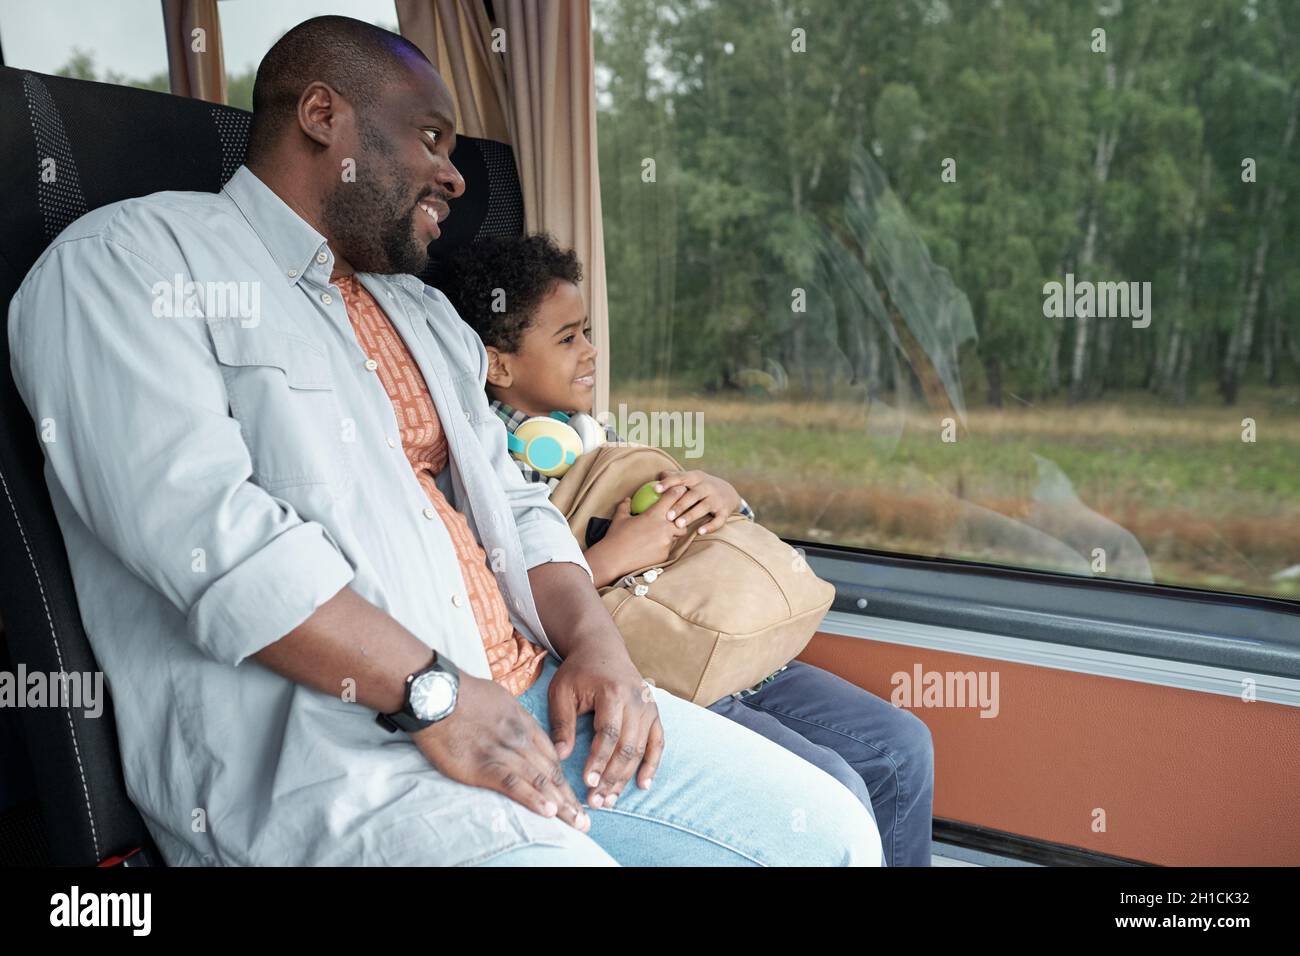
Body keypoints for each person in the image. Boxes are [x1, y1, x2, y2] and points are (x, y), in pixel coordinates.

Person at [7, 15, 884, 866]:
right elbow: (216, 544)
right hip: (337, 759)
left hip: (521, 695)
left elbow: (514, 501)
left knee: (831, 830)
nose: (455, 178)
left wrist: (596, 647)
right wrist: (435, 695)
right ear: (323, 117)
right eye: (431, 139)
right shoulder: (127, 266)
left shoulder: (419, 310)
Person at [437, 233, 936, 866]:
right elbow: (501, 610)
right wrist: (617, 553)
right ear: (499, 366)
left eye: (587, 331)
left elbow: (692, 528)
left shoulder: (592, 436)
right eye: (568, 340)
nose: (590, 351)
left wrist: (722, 497)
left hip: (723, 644)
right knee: (834, 783)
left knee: (903, 745)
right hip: (651, 665)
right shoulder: (489, 467)